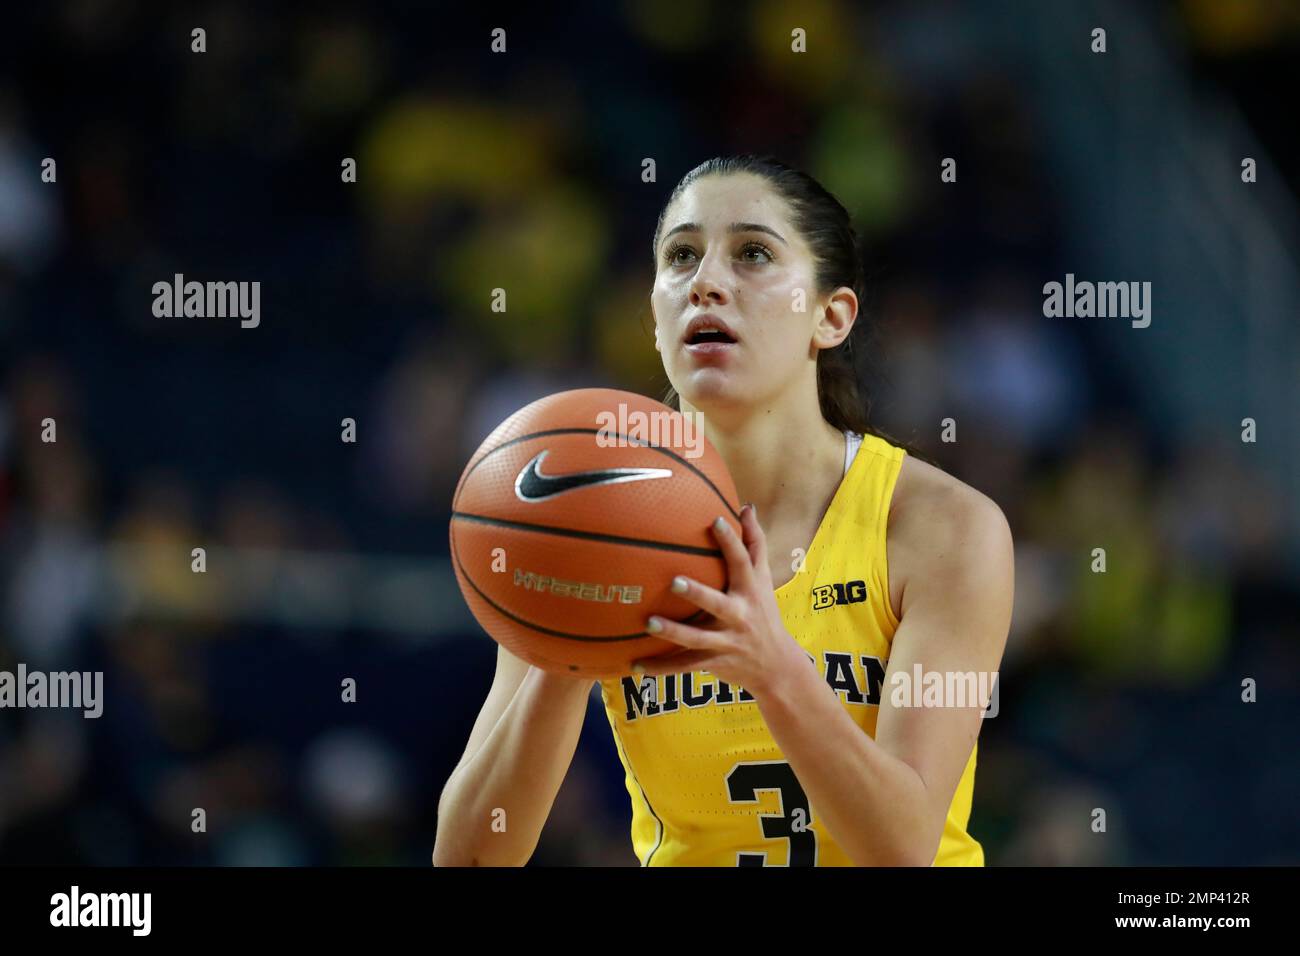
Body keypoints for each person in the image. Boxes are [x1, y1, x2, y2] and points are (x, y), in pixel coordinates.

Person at [434, 154, 1013, 867]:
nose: (706, 281)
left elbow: (901, 851)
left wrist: (775, 671)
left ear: (830, 316)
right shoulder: (584, 507)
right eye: (680, 257)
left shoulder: (941, 526)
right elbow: (470, 858)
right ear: (653, 319)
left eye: (753, 254)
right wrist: (567, 644)